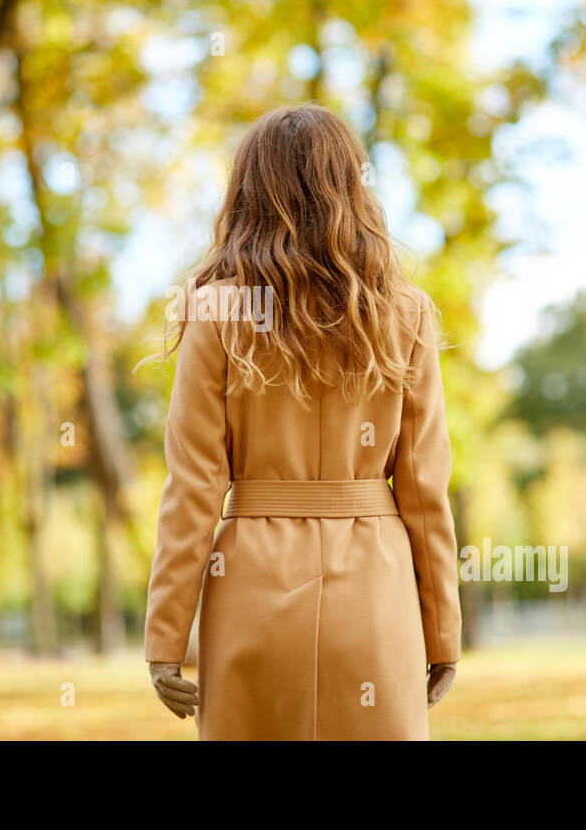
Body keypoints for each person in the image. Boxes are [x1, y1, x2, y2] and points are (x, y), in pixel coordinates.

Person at [143, 105, 461, 740]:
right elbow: (425, 490)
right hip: (376, 594)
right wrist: (443, 632)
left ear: (247, 192)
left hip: (252, 592)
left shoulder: (215, 311)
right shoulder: (404, 312)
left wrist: (165, 636)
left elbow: (194, 488)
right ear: (352, 187)